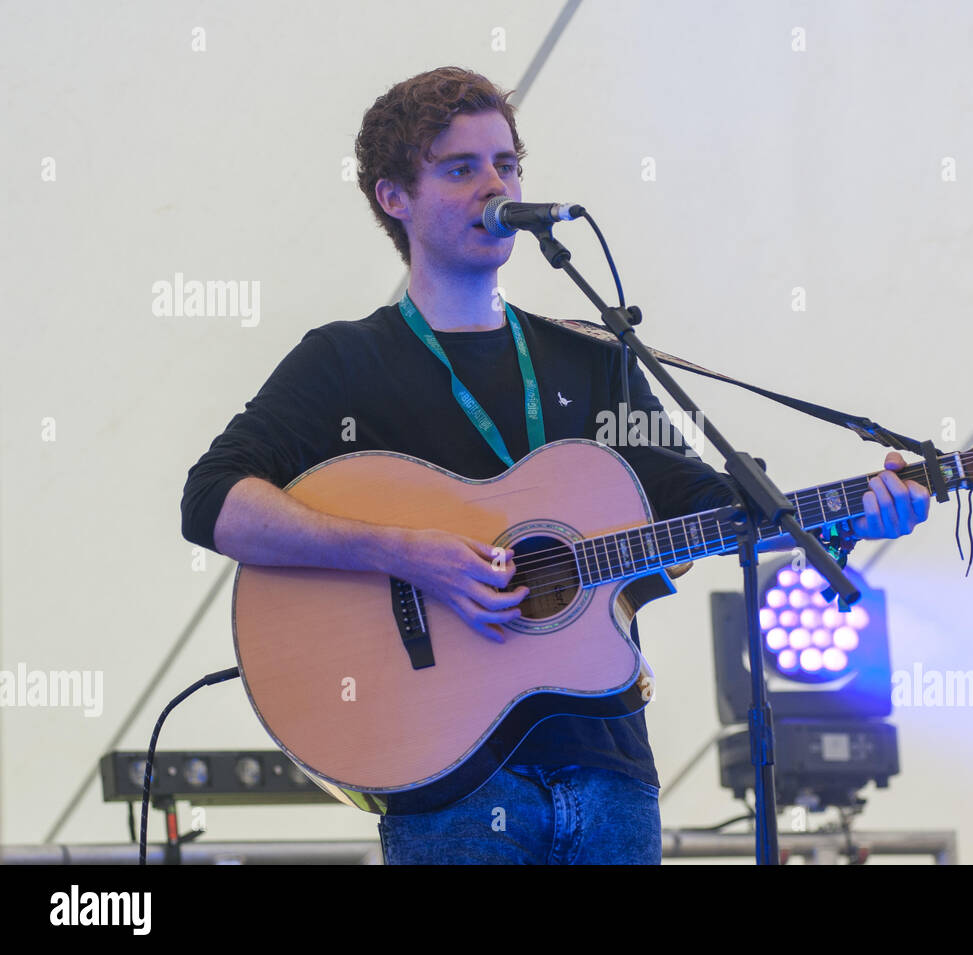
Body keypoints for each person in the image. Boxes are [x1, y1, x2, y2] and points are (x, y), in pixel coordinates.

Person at [179, 66, 930, 864]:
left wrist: (844, 513)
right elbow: (213, 500)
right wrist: (407, 554)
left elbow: (694, 498)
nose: (494, 184)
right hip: (451, 785)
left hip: (610, 772)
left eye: (507, 164)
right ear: (392, 197)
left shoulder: (590, 353)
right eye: (461, 168)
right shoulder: (345, 362)